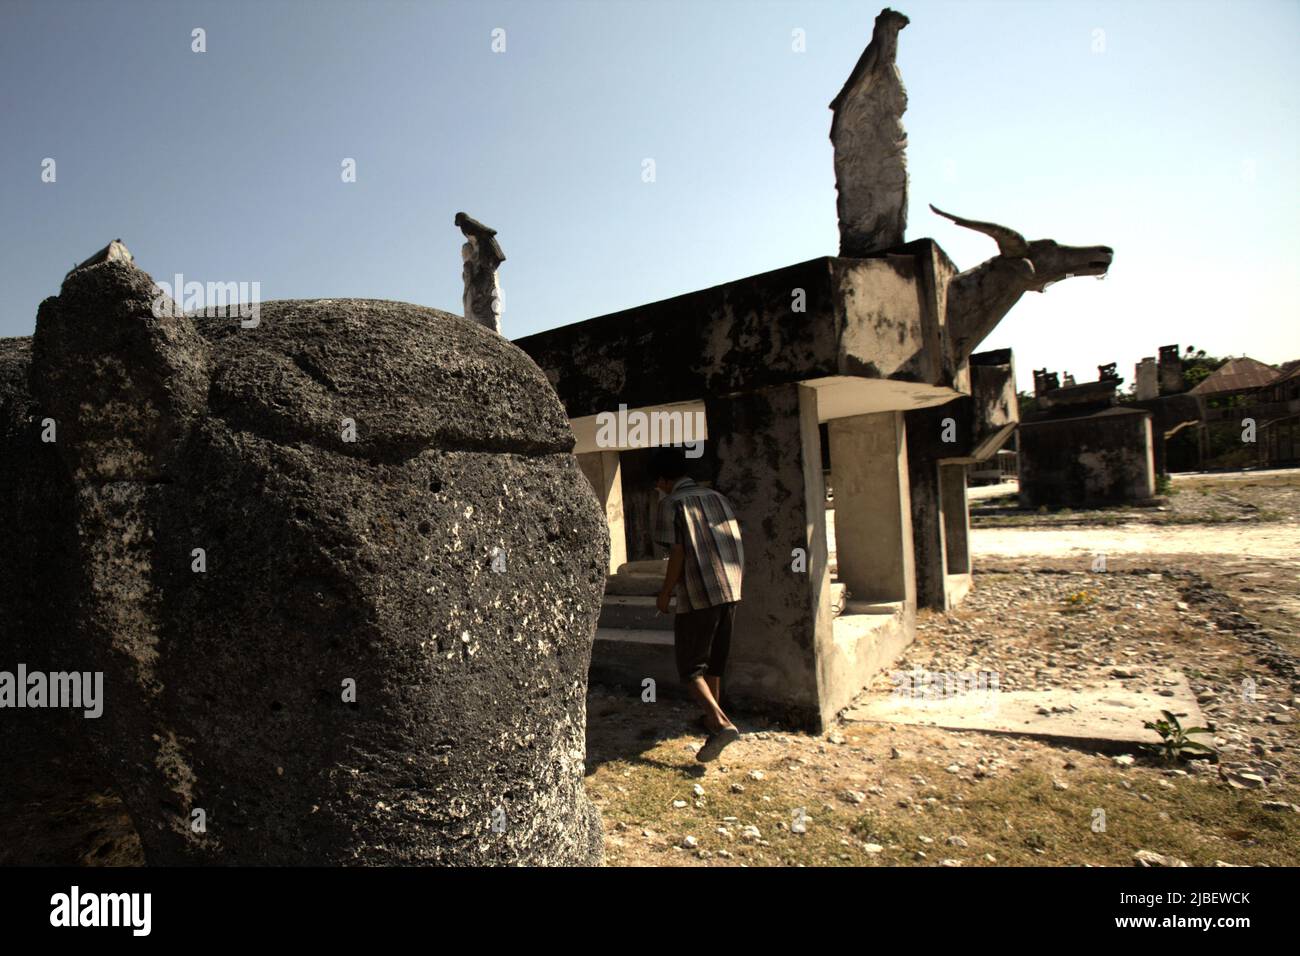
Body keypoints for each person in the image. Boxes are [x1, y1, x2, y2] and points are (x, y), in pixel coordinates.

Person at [651, 446, 744, 763]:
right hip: (730, 588)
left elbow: (676, 554)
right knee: (714, 663)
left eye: (658, 482)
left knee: (690, 667)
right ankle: (712, 720)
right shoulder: (716, 497)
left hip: (699, 592)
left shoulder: (671, 504)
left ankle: (719, 724)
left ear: (664, 479)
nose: (657, 487)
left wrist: (665, 593)